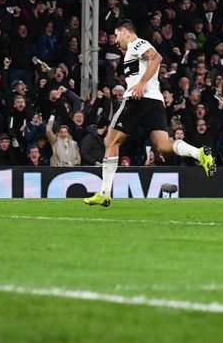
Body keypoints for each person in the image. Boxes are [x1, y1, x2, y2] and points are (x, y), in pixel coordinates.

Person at [84, 20, 215, 207]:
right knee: (162, 146)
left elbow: (157, 57)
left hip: (137, 100)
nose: (116, 40)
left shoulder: (137, 43)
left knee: (110, 141)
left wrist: (141, 83)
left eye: (117, 35)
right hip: (154, 102)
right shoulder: (130, 51)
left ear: (125, 32)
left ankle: (104, 193)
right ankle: (199, 153)